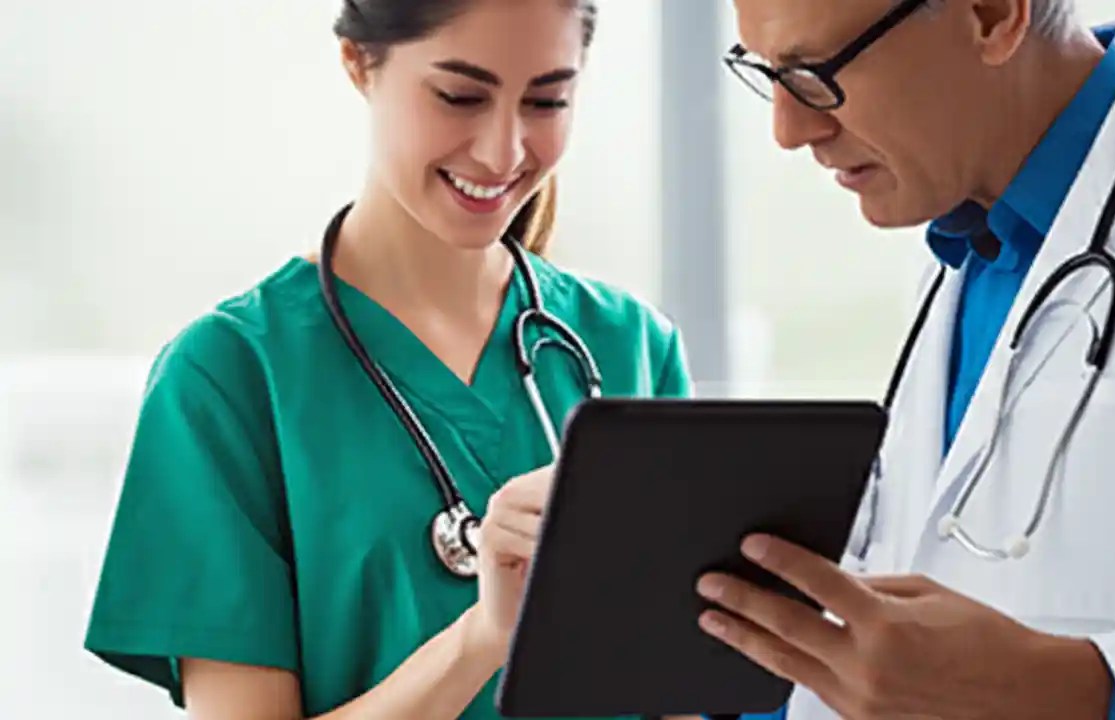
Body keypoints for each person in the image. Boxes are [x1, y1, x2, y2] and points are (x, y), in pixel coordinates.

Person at [82, 1, 695, 718]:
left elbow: (681, 694)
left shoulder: (632, 349)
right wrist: (481, 640)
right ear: (358, 63)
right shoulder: (228, 378)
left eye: (546, 102)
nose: (503, 153)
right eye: (460, 96)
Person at [697, 1, 1115, 718]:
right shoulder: (964, 240)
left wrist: (1070, 686)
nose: (790, 131)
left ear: (992, 15)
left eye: (815, 73)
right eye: (769, 74)